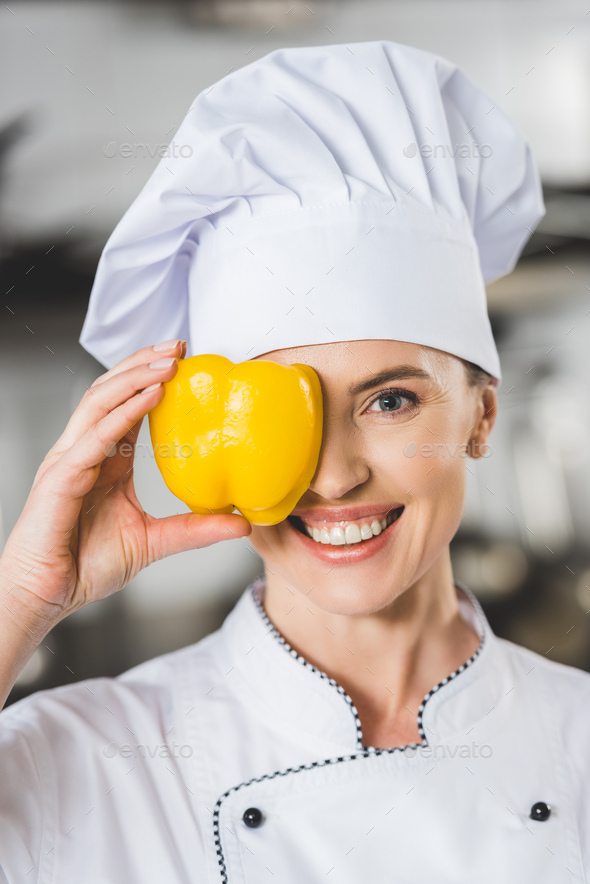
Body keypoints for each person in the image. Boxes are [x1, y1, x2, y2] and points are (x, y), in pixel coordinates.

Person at [1, 39, 589, 883]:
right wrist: (21, 598)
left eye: (389, 400)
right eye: (275, 416)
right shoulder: (84, 767)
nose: (334, 475)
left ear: (482, 413)